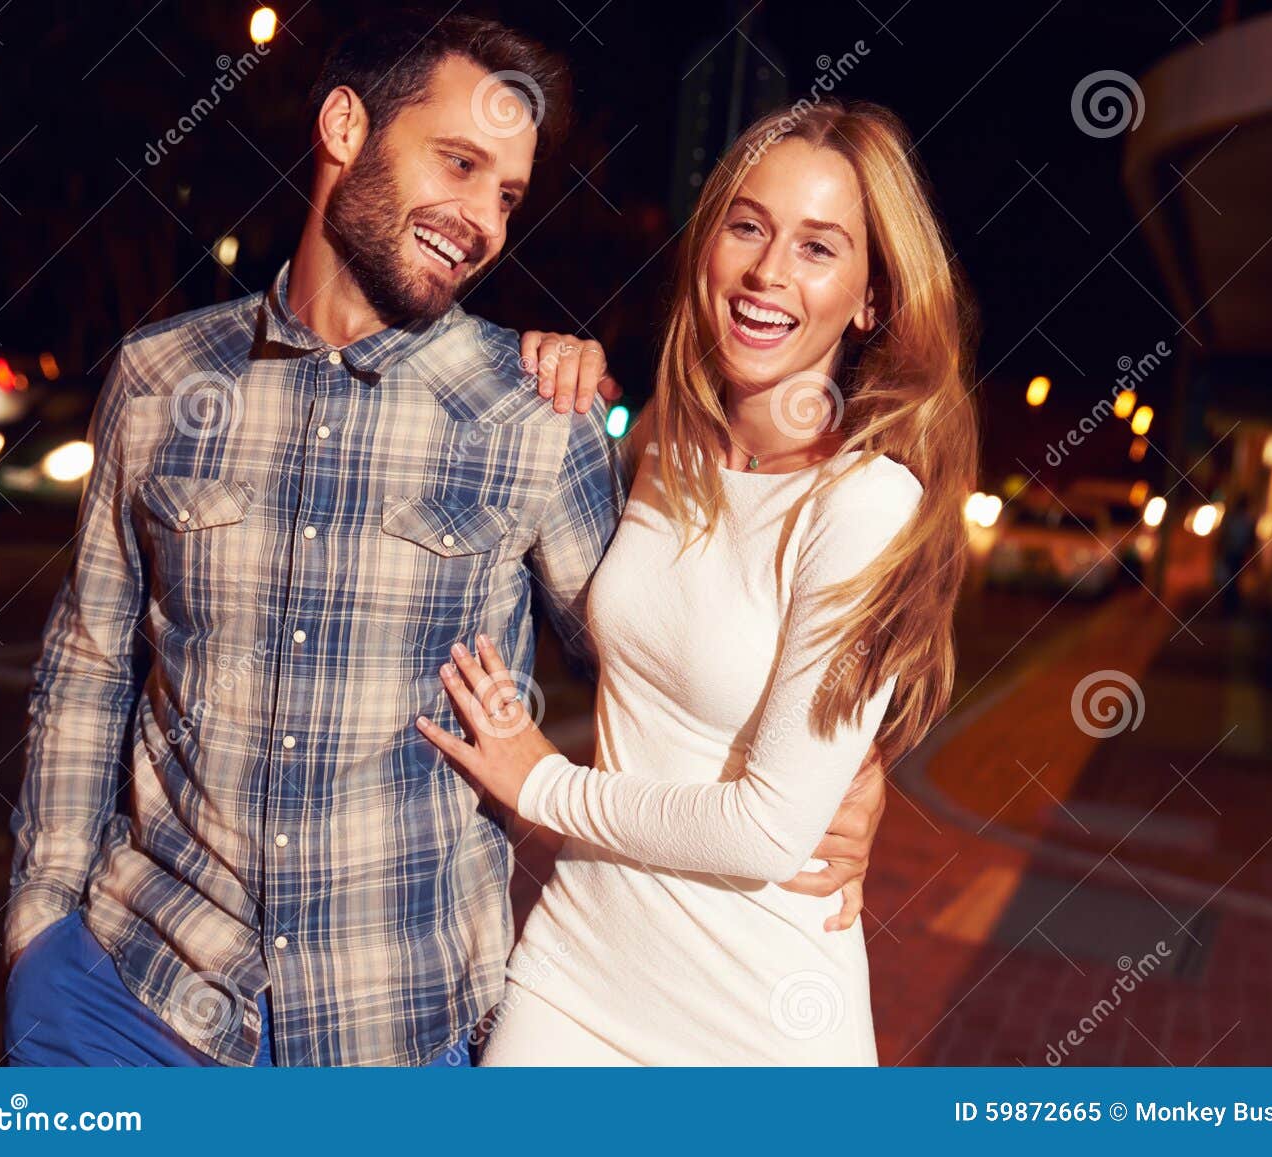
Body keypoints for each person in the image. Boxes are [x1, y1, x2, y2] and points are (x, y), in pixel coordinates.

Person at [1, 13, 887, 1068]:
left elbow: (678, 653)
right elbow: (91, 665)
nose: (480, 220)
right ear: (342, 127)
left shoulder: (533, 419)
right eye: (458, 165)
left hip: (395, 1030)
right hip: (130, 998)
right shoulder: (160, 379)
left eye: (506, 194)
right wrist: (40, 927)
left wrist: (852, 765)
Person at [417, 101, 978, 1064]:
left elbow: (767, 830)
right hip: (570, 977)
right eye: (749, 226)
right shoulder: (659, 452)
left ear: (872, 299)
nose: (768, 271)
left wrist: (539, 782)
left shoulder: (867, 504)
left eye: (818, 248)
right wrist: (560, 359)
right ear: (708, 243)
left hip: (752, 1026)